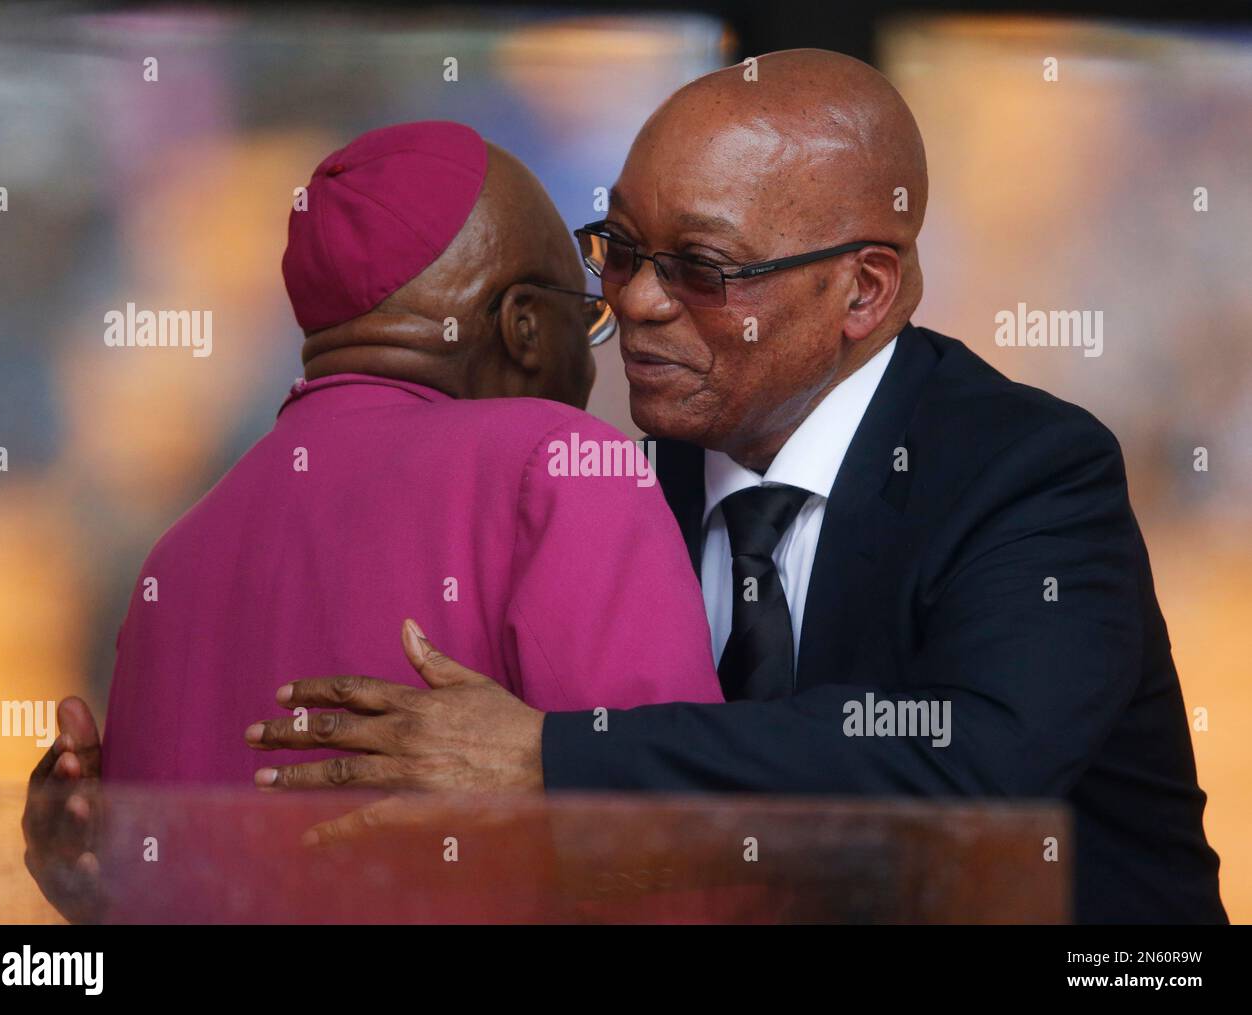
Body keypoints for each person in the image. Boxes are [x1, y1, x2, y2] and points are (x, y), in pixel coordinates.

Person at [250, 52, 1226, 924]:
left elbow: (974, 758)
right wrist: (113, 836)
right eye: (621, 248)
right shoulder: (613, 494)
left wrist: (555, 760)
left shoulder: (1026, 469)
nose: (632, 300)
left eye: (700, 268)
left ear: (864, 291)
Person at [22, 120, 722, 921]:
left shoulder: (175, 557)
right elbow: (683, 865)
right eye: (583, 314)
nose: (594, 347)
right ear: (524, 324)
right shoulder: (559, 466)